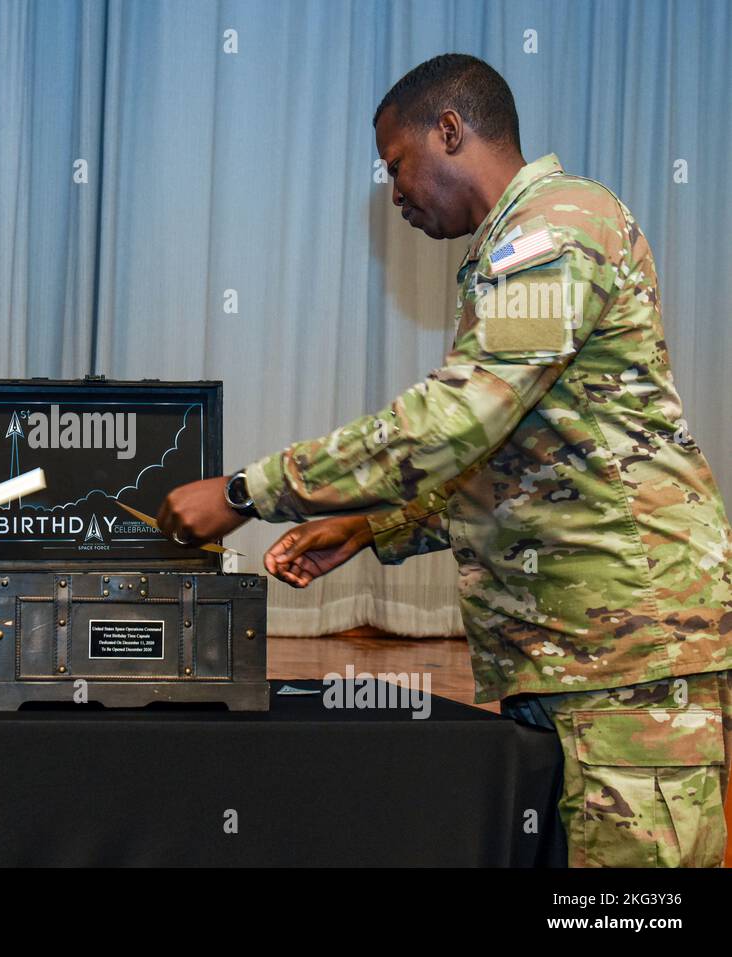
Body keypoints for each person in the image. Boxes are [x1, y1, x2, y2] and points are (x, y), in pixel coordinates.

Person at [158, 54, 732, 867]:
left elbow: (454, 422)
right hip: (568, 650)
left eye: (397, 166)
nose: (394, 195)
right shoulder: (514, 247)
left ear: (451, 130)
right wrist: (370, 524)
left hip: (629, 653)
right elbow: (514, 454)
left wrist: (251, 491)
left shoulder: (556, 231)